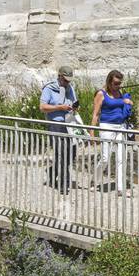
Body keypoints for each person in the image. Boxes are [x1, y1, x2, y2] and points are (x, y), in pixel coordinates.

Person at [91, 70, 134, 195]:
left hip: (120, 126)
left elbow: (124, 105)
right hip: (106, 126)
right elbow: (95, 114)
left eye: (120, 83)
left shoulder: (120, 93)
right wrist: (92, 133)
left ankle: (120, 188)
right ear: (109, 82)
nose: (118, 86)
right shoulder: (101, 93)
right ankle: (95, 180)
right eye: (115, 83)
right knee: (105, 157)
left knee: (122, 157)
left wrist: (128, 102)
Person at [40, 66, 79, 194]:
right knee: (62, 153)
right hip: (55, 123)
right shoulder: (49, 88)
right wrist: (59, 108)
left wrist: (74, 107)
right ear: (60, 76)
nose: (68, 83)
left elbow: (73, 102)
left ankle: (52, 171)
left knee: (72, 152)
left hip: (69, 123)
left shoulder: (70, 88)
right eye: (66, 80)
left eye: (69, 80)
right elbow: (43, 107)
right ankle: (64, 184)